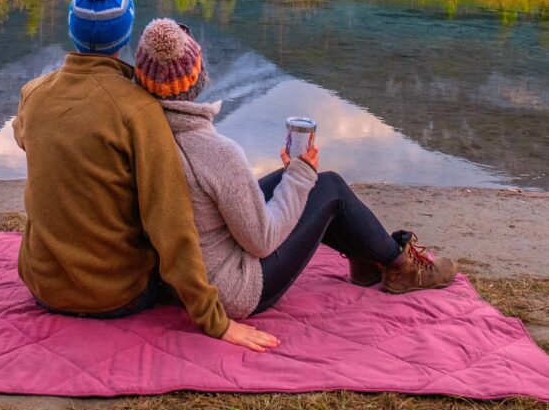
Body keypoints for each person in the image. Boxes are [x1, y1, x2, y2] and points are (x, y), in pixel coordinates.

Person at [12, 0, 279, 351]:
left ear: (72, 26)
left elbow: (23, 136)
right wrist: (216, 322)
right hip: (117, 295)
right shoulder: (138, 111)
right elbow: (171, 226)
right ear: (125, 36)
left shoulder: (33, 96)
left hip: (44, 286)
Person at [133, 18, 458, 322]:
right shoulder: (216, 153)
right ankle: (400, 268)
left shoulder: (137, 130)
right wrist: (299, 175)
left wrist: (292, 180)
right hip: (231, 290)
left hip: (181, 274)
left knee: (297, 185)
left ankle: (368, 256)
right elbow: (262, 241)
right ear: (198, 76)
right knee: (326, 187)